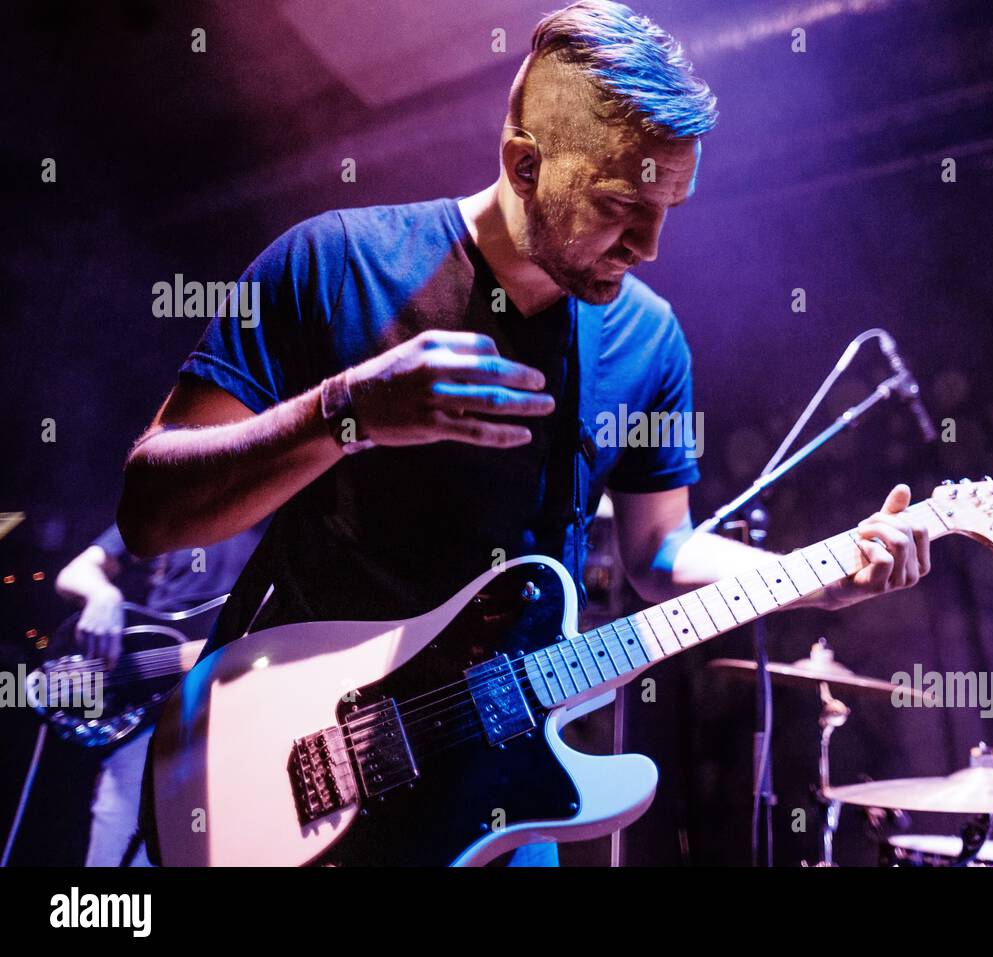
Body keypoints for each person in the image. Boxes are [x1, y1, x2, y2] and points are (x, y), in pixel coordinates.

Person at [115, 1, 930, 866]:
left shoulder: (649, 340)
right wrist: (344, 411)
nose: (651, 244)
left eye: (671, 208)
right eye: (623, 205)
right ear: (524, 163)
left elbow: (660, 553)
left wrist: (817, 578)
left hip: (498, 800)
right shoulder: (332, 261)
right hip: (291, 766)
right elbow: (152, 508)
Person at [53, 521, 264, 866]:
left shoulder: (288, 499)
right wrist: (103, 595)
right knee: (118, 853)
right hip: (154, 707)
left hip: (248, 703)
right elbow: (76, 572)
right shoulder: (172, 500)